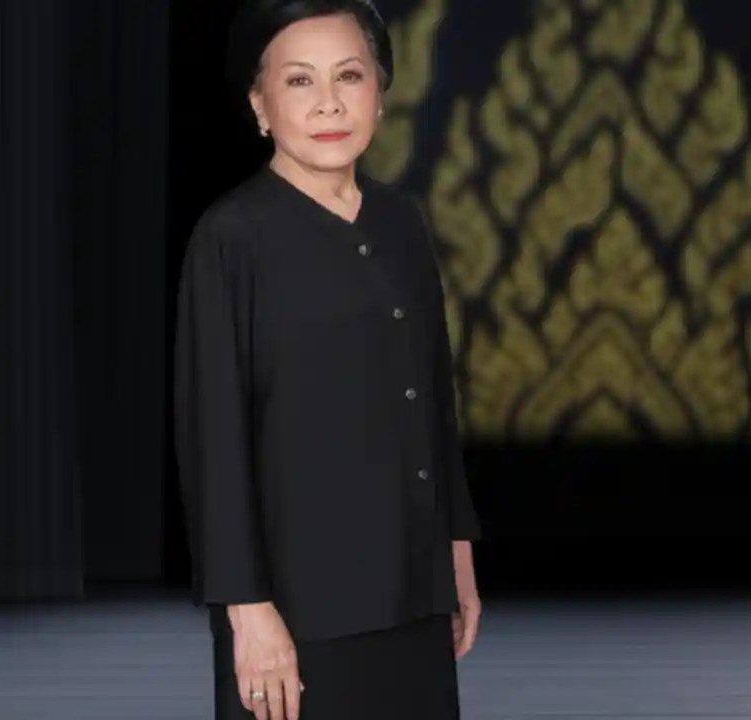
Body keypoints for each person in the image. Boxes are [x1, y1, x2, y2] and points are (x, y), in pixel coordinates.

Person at [172, 1, 483, 718]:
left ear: (380, 89)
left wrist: (456, 556)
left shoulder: (401, 222)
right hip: (297, 609)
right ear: (260, 103)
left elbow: (433, 399)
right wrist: (247, 612)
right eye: (300, 82)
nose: (329, 103)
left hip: (413, 591)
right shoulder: (231, 240)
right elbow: (213, 438)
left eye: (349, 75)